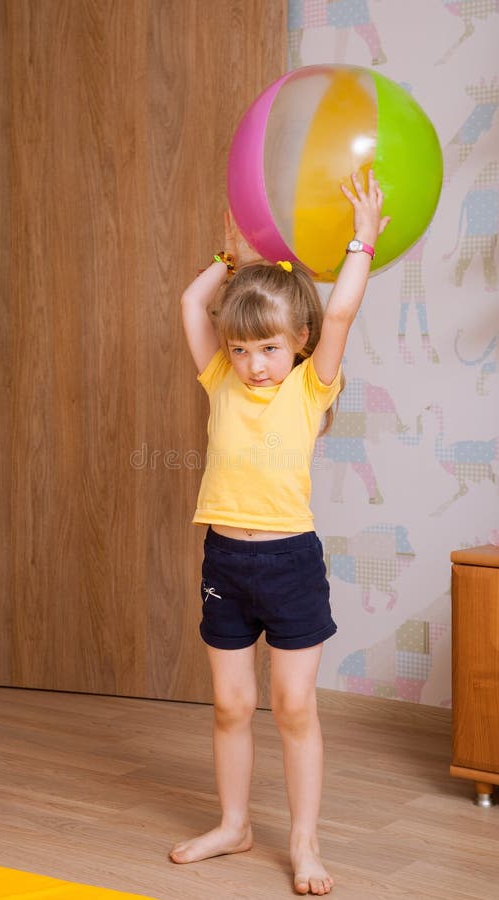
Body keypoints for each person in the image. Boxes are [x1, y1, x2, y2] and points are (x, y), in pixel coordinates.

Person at [170, 171, 389, 896]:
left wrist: (362, 240)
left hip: (289, 563)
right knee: (231, 704)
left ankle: (303, 842)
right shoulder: (217, 379)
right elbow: (190, 302)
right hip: (224, 561)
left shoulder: (307, 385)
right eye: (240, 350)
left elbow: (345, 311)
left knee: (293, 706)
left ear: (298, 342)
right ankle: (234, 825)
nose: (252, 364)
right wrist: (228, 260)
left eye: (266, 348)